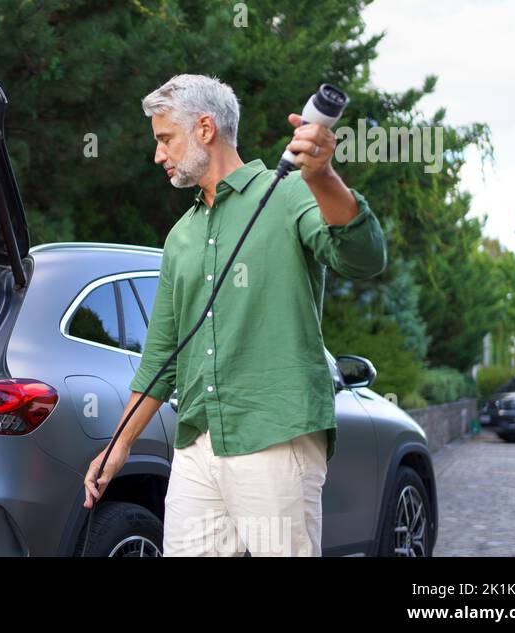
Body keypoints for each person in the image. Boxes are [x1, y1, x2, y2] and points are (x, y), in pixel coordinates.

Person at [83, 74, 388, 556]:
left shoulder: (289, 194)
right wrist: (118, 445)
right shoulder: (180, 236)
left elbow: (364, 259)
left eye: (166, 139)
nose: (158, 155)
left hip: (275, 431)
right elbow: (160, 356)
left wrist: (323, 176)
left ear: (205, 128)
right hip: (197, 445)